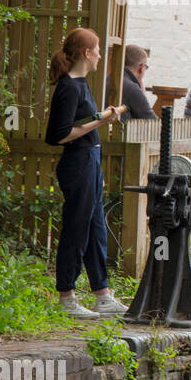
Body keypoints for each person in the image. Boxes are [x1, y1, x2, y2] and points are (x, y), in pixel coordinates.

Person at [44, 28, 130, 319]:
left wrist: (98, 165)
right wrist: (101, 120)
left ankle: (102, 294)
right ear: (86, 53)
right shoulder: (69, 87)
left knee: (95, 229)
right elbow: (58, 135)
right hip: (78, 163)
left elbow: (85, 128)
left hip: (90, 161)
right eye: (97, 49)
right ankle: (66, 296)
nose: (100, 55)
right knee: (76, 228)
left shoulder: (82, 84)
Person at [119, 44, 157, 120]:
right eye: (145, 67)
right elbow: (153, 122)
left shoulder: (107, 79)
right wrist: (142, 93)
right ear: (141, 68)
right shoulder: (132, 88)